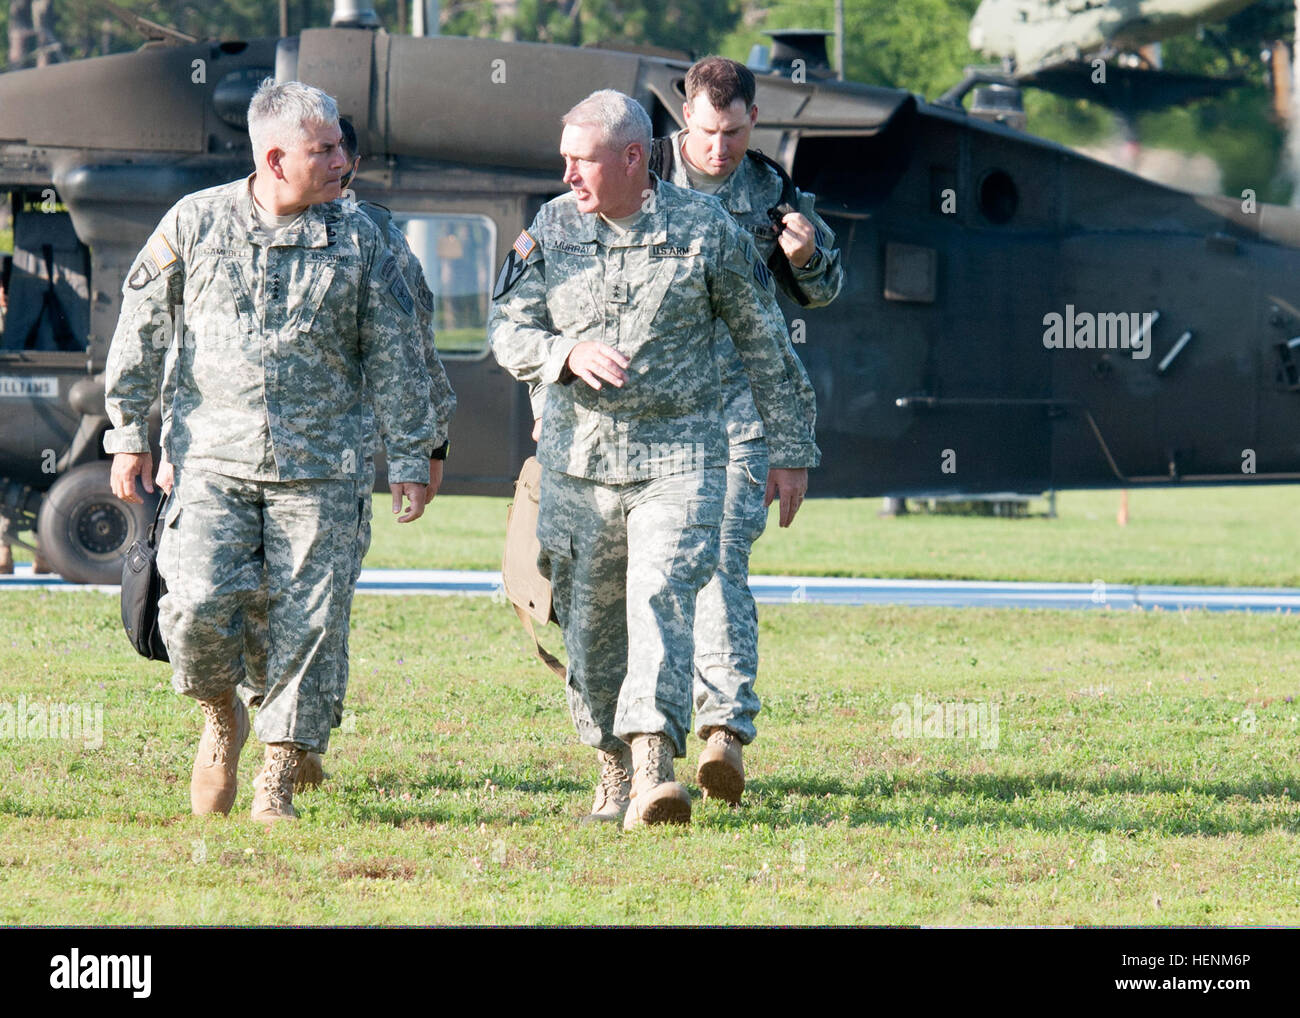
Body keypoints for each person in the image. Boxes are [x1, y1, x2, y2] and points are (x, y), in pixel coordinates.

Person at [105, 80, 436, 822]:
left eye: (340, 145)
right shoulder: (196, 222)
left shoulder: (364, 235)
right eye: (325, 149)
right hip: (210, 463)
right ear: (276, 157)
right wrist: (128, 432)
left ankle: (277, 779)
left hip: (323, 470)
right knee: (192, 612)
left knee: (309, 627)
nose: (341, 159)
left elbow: (399, 355)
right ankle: (223, 716)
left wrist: (414, 452)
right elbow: (141, 328)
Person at [490, 89, 819, 829]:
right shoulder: (550, 226)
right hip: (580, 466)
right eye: (564, 159)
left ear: (634, 158)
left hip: (681, 459)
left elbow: (767, 342)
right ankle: (610, 765)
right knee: (591, 624)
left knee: (661, 599)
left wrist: (792, 449)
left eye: (583, 161)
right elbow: (507, 326)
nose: (568, 175)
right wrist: (562, 352)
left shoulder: (705, 232)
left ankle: (652, 768)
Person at [657, 56, 843, 804]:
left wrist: (809, 255)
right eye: (707, 131)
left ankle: (723, 733)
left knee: (722, 558)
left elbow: (824, 290)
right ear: (684, 121)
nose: (720, 147)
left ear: (753, 121)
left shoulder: (770, 189)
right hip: (647, 411)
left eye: (734, 132)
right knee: (638, 578)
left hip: (738, 410)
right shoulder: (637, 173)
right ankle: (639, 744)